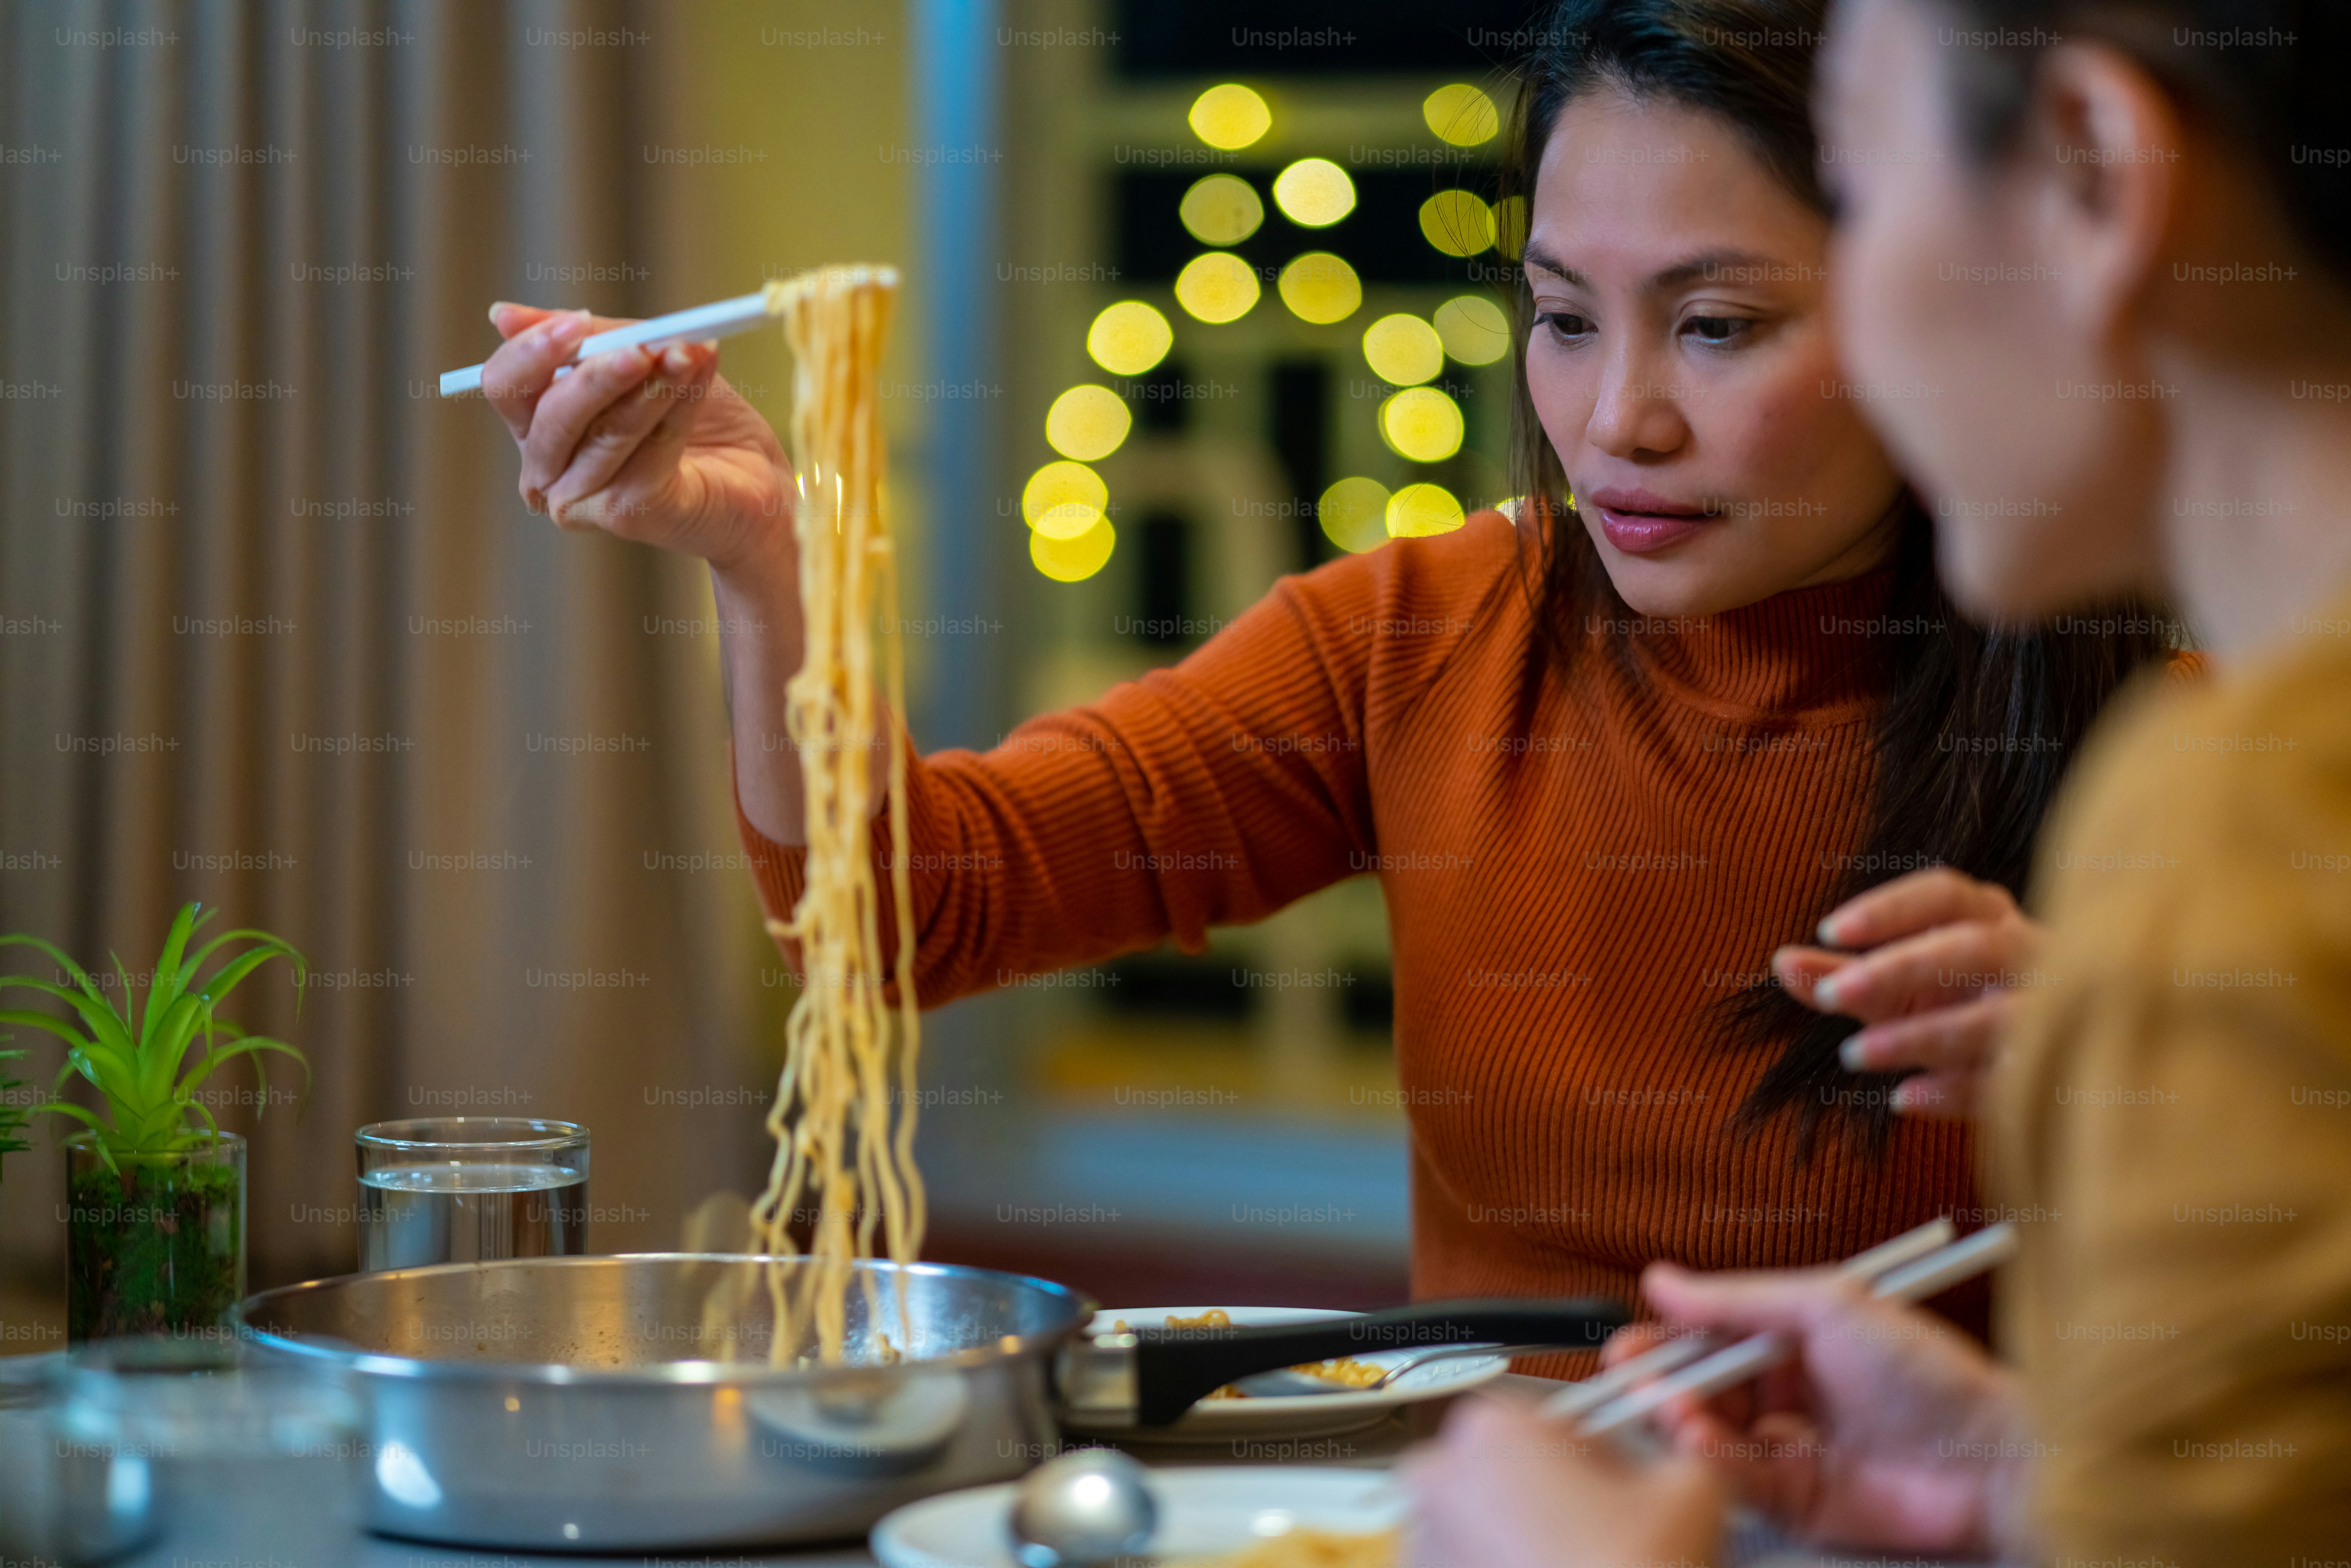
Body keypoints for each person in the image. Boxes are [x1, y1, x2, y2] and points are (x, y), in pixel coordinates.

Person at [473, 1, 2161, 1352]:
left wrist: (2133, 1058)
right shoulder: (1432, 636)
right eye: (1565, 317)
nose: (1618, 420)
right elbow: (913, 906)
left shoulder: (2165, 701)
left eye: (1718, 325)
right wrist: (763, 555)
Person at [1400, 0, 2351, 1561]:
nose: (1622, 420)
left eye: (1866, 179)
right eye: (1564, 313)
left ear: (2096, 172)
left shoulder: (2236, 823)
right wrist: (2030, 1475)